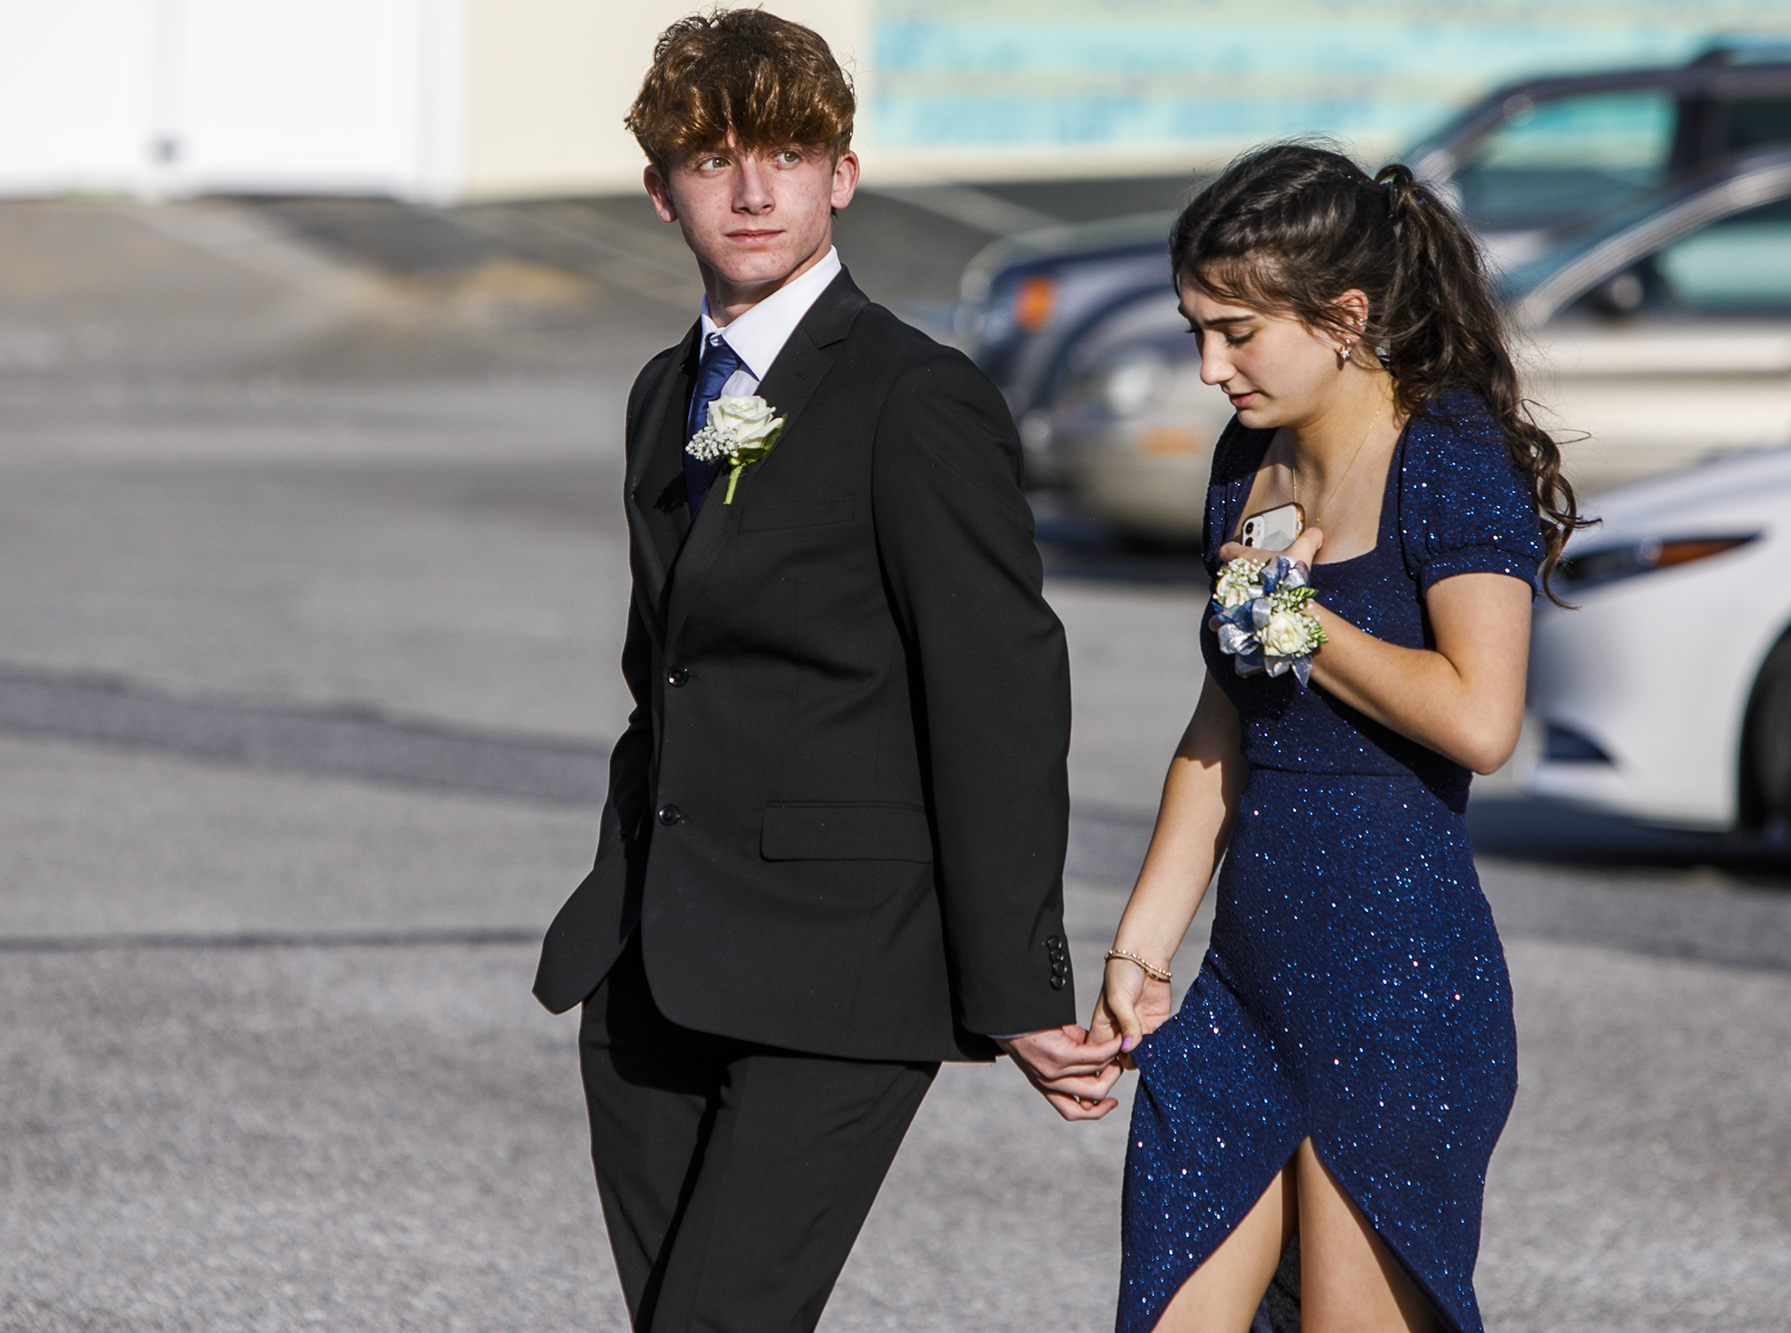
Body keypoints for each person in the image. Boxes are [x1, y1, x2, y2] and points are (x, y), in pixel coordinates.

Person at [530, 12, 1119, 1331]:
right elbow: (665, 679)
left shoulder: (920, 399)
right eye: (712, 157)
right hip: (650, 968)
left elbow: (1002, 690)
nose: (751, 189)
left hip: (842, 973)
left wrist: (1019, 986)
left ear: (842, 173)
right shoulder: (659, 393)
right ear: (658, 188)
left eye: (787, 153)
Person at [1080, 144, 1584, 1333]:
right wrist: (1139, 949)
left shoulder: (1445, 452)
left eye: (1236, 332)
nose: (1209, 366)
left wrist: (1297, 620)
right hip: (1244, 994)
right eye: (1195, 329)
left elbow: (1479, 717)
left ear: (1343, 315)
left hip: (1398, 1001)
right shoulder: (1244, 462)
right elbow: (1222, 725)